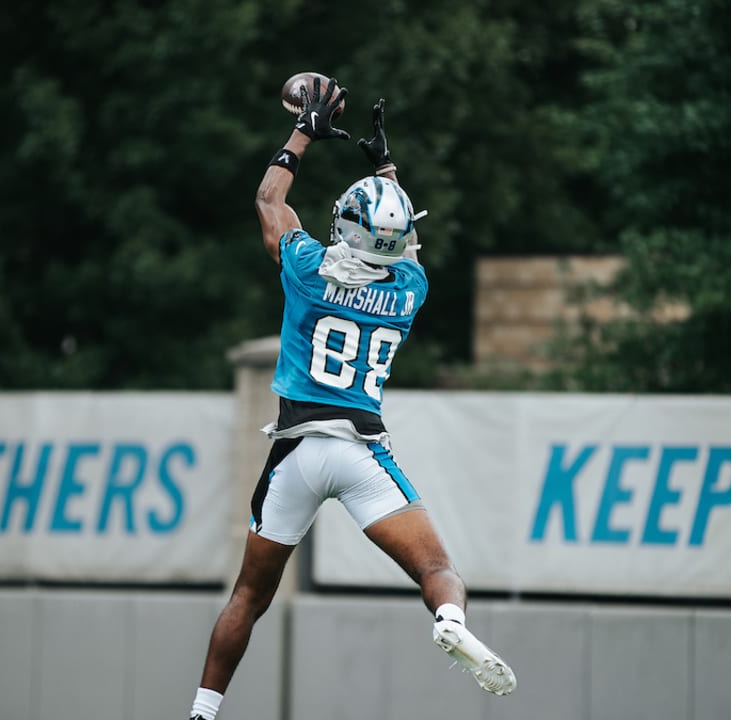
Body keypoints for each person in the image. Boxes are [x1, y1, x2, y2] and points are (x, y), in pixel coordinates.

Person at [186, 78, 514, 720]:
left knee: (248, 597)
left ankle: (202, 713)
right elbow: (405, 243)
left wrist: (303, 131)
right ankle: (450, 621)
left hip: (296, 452)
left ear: (344, 225)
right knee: (438, 572)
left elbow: (269, 198)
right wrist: (387, 169)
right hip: (361, 453)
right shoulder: (410, 289)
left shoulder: (307, 268)